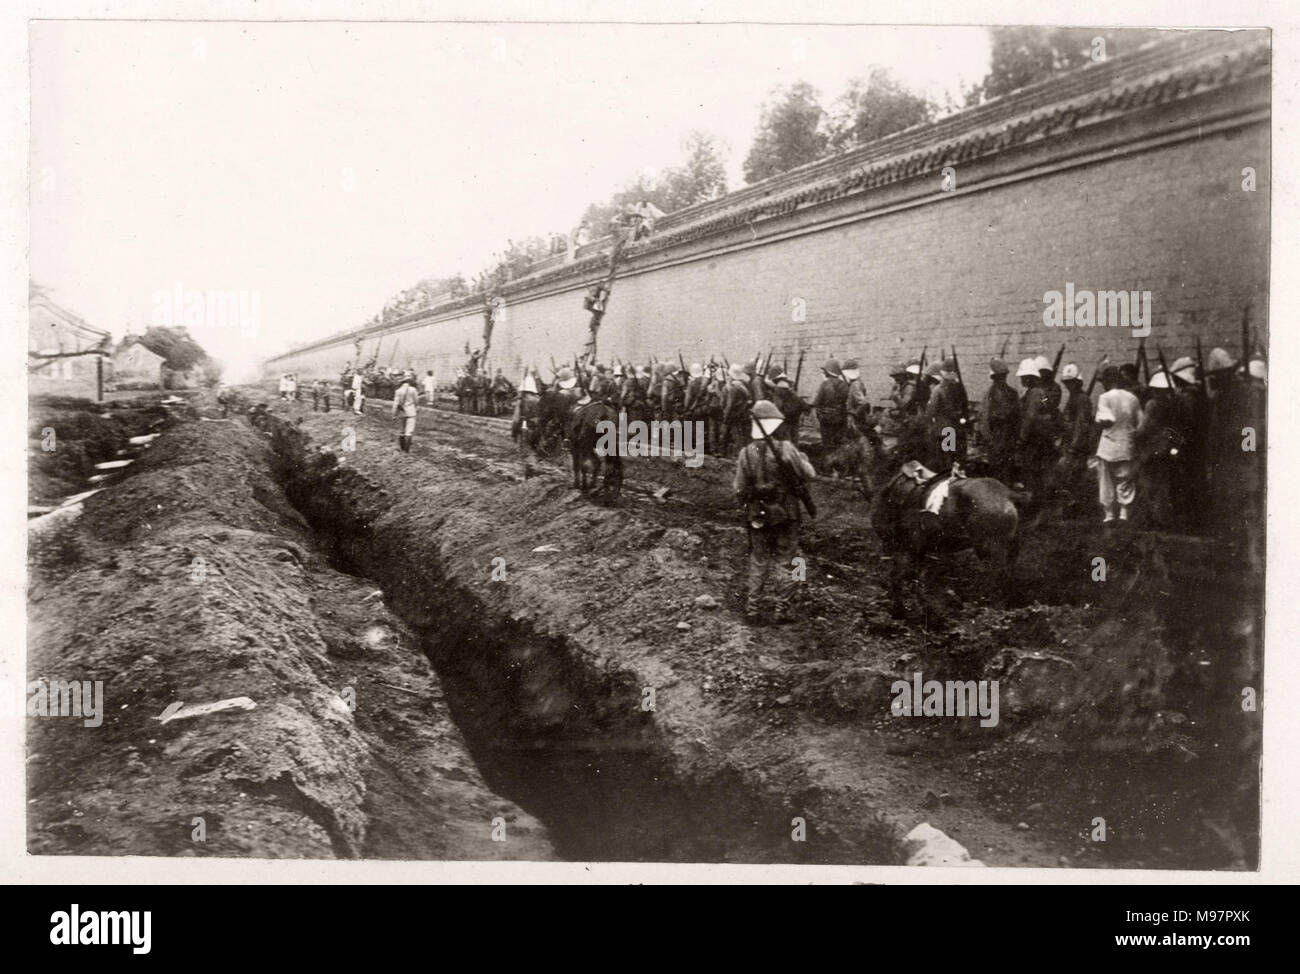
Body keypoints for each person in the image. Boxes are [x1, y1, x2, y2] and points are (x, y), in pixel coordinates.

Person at [733, 400, 816, 624]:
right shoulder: (786, 448)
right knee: (787, 561)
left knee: (759, 560)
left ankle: (753, 610)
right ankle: (782, 609)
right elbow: (810, 474)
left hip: (758, 513)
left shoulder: (745, 453)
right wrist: (804, 459)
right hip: (786, 513)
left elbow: (739, 488)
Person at [1094, 365, 1143, 525]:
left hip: (1108, 445)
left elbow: (1104, 420)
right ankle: (1124, 512)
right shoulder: (1133, 398)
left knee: (1106, 480)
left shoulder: (1104, 398)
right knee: (1125, 479)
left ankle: (1108, 514)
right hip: (1126, 444)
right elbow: (1140, 424)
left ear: (1108, 381)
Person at [978, 359, 1019, 483]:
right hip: (996, 437)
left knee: (1007, 470)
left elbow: (1018, 417)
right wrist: (988, 438)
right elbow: (984, 417)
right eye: (999, 377)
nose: (1001, 379)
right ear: (994, 377)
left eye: (1003, 376)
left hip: (1008, 437)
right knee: (996, 471)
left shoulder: (1012, 393)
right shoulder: (990, 394)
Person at [924, 357, 967, 472]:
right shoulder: (960, 389)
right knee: (956, 459)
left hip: (945, 430)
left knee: (945, 460)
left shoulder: (938, 390)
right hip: (958, 429)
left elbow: (930, 412)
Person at [813, 358, 849, 453]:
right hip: (840, 420)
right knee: (838, 445)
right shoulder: (844, 385)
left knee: (827, 444)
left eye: (825, 370)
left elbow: (816, 402)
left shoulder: (824, 385)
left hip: (826, 420)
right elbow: (846, 403)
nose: (824, 372)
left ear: (829, 371)